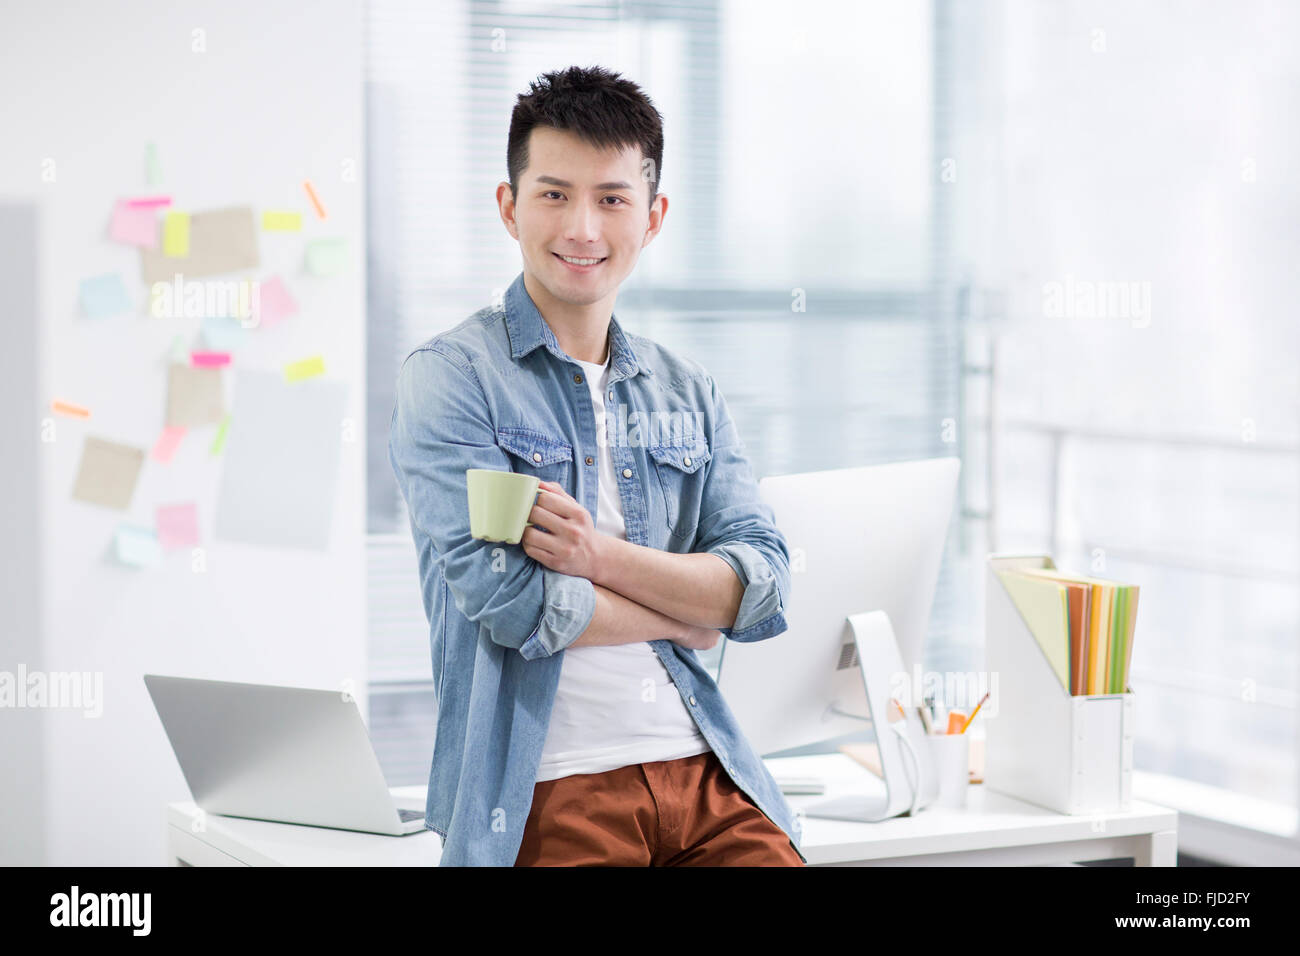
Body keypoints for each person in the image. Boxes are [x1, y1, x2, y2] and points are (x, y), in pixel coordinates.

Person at [388, 64, 805, 867]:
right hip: (547, 787)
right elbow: (510, 603)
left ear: (653, 218)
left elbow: (760, 584)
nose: (583, 228)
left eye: (612, 199)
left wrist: (602, 559)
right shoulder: (450, 377)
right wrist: (684, 611)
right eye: (554, 194)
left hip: (707, 774)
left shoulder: (689, 389)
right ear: (509, 208)